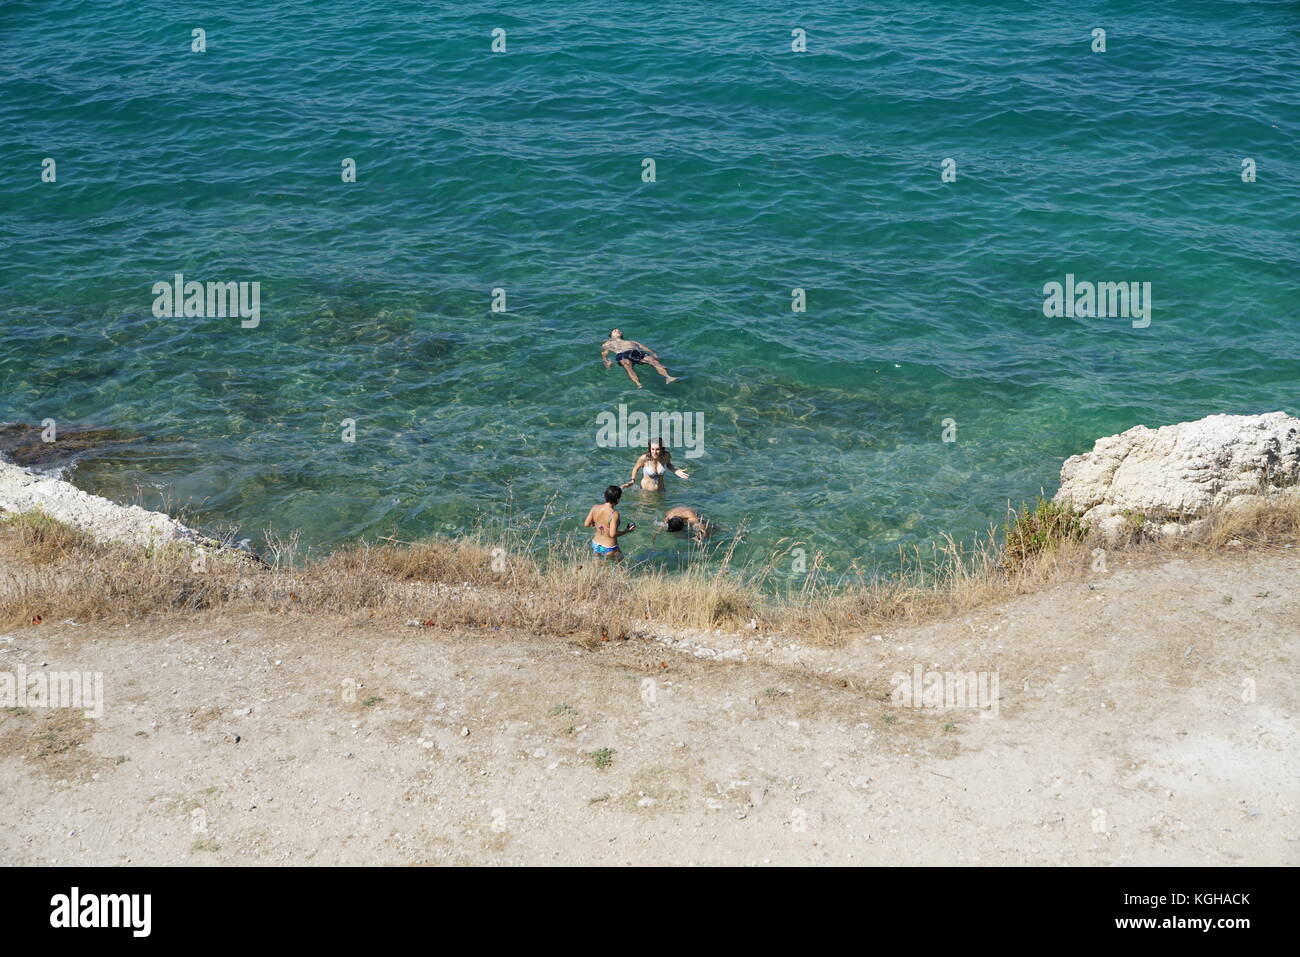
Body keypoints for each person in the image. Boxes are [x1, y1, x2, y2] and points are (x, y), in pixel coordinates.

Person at [601, 329, 679, 389]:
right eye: (615, 330)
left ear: (621, 334)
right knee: (627, 364)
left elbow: (643, 347)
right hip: (622, 354)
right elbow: (604, 353)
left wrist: (653, 353)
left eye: (619, 330)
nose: (617, 331)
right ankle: (639, 384)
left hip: (636, 353)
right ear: (611, 335)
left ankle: (668, 377)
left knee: (652, 360)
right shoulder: (608, 343)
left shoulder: (632, 342)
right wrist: (606, 361)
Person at [583, 484, 636, 558]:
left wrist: (599, 524)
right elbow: (612, 534)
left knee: (598, 564)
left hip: (596, 544)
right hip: (609, 547)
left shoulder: (595, 507)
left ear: (605, 496)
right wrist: (627, 530)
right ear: (617, 499)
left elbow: (586, 524)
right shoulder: (614, 514)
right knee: (621, 564)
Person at [621, 438, 689, 491]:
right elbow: (636, 468)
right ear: (649, 449)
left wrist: (675, 470)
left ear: (662, 449)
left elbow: (668, 464)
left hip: (661, 491)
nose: (654, 452)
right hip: (645, 492)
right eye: (652, 449)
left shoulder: (666, 456)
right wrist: (632, 480)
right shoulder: (644, 458)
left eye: (657, 449)